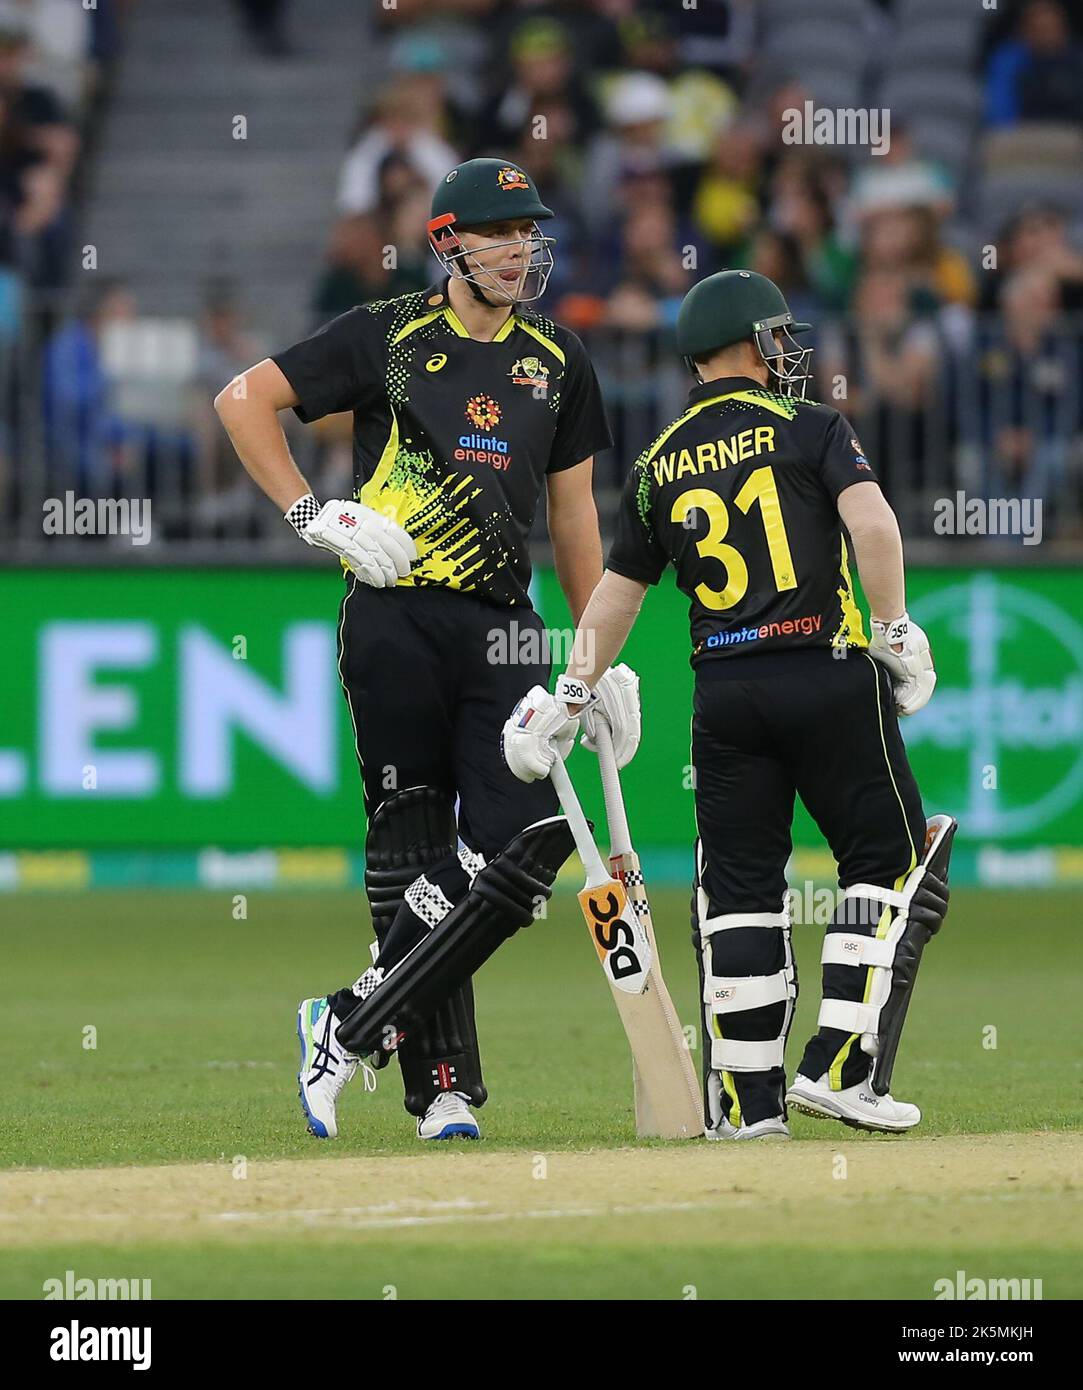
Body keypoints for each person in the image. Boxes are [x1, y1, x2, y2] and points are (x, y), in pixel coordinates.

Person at [215, 158, 637, 1142]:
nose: (519, 248)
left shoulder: (558, 358)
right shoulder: (388, 333)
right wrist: (313, 513)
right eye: (498, 231)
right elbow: (242, 400)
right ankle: (441, 1082)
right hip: (394, 611)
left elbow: (575, 518)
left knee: (524, 846)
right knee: (410, 841)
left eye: (528, 231)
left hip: (505, 624)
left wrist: (594, 656)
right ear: (450, 242)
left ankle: (347, 1018)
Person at [503, 269, 951, 1140]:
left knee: (739, 892)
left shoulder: (657, 459)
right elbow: (874, 525)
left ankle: (749, 1107)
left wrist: (570, 690)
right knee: (887, 863)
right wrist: (894, 629)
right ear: (749, 341)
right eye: (776, 334)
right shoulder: (812, 426)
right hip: (824, 670)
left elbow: (617, 596)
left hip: (726, 694)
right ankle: (836, 1067)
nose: (787, 349)